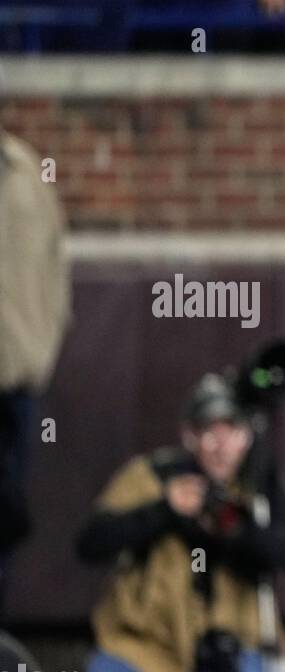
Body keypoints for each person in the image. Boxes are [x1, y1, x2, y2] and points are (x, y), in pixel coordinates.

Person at [72, 373, 285, 672]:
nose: (221, 447)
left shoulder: (257, 487)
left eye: (232, 433)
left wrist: (237, 532)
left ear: (246, 438)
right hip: (146, 648)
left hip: (228, 654)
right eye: (209, 433)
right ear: (189, 435)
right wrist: (165, 511)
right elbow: (91, 543)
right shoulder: (153, 476)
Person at [0, 122, 72, 615]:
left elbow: (55, 269)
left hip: (15, 384)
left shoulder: (26, 171)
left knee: (4, 526)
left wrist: (40, 347)